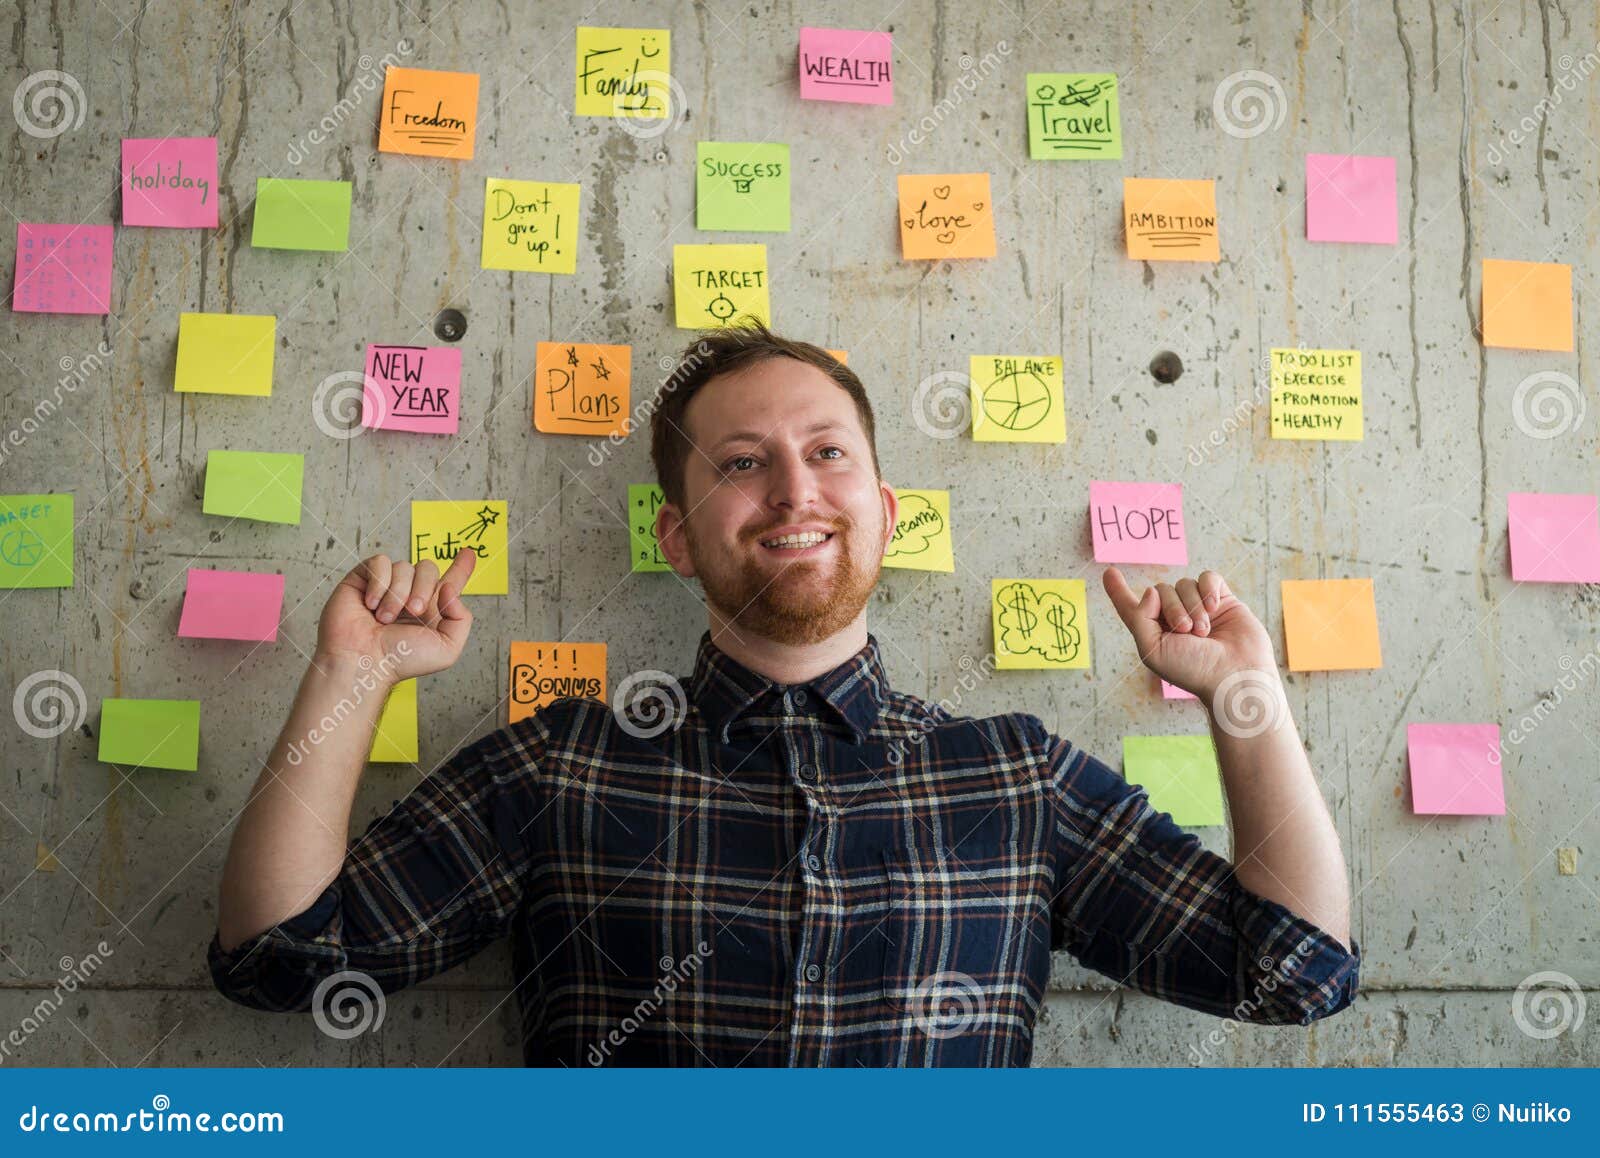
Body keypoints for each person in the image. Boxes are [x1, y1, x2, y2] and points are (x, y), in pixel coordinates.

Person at [210, 322, 1359, 1066]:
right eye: (742, 462)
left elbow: (1294, 975)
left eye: (828, 452)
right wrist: (351, 676)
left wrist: (1244, 694)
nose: (794, 490)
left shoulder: (1018, 778)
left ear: (884, 512)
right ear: (676, 534)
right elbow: (279, 960)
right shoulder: (560, 767)